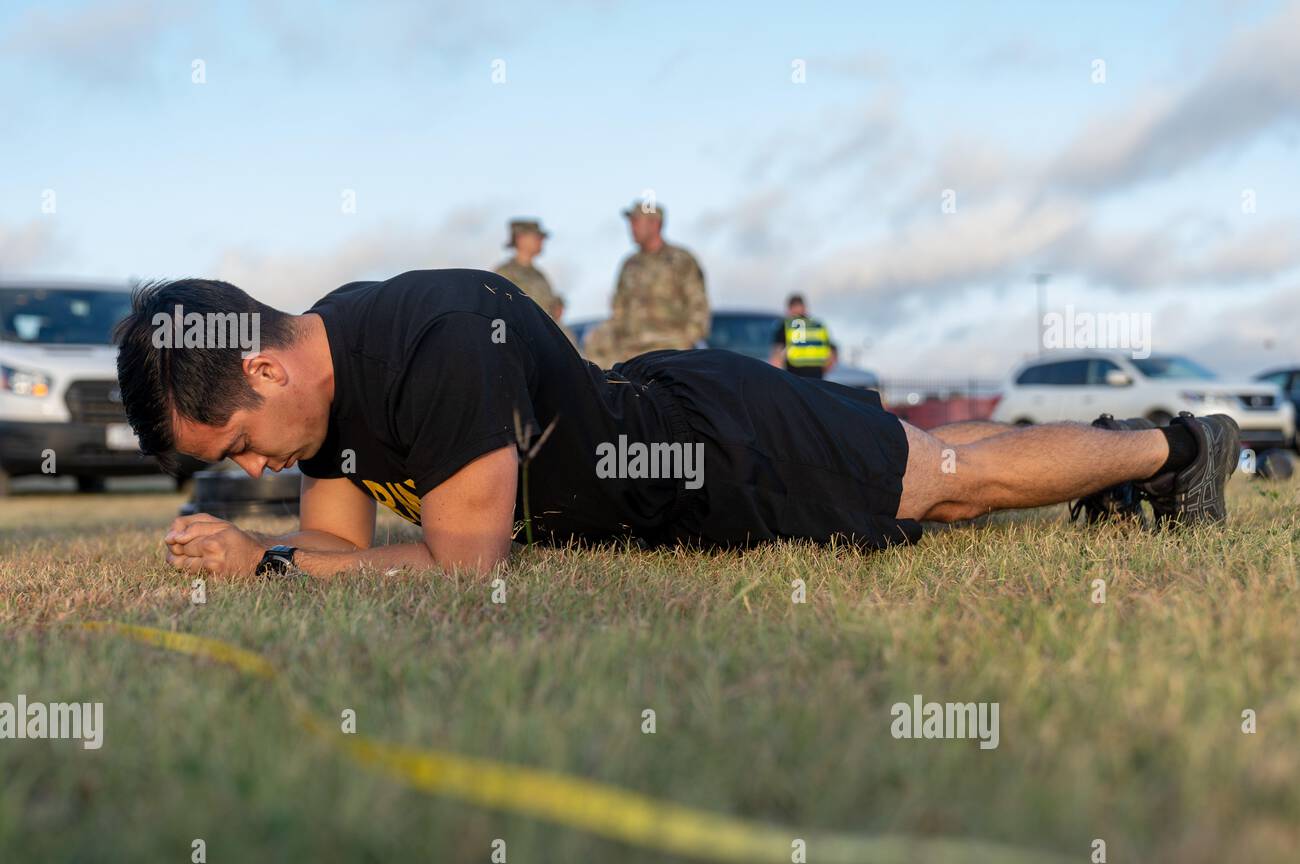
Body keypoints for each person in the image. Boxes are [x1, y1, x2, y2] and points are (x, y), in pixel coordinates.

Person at [112, 269, 1240, 580]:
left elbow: (462, 568)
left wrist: (273, 569)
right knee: (950, 471)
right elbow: (338, 558)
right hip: (655, 436)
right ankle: (1126, 453)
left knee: (949, 479)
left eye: (242, 444)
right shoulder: (324, 405)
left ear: (264, 363)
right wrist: (259, 555)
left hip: (718, 453)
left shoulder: (433, 339)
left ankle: (1179, 448)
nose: (257, 466)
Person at [598, 199, 709, 366]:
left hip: (668, 348)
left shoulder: (681, 260)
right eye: (631, 222)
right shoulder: (630, 264)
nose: (631, 228)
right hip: (629, 350)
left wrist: (684, 344)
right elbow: (618, 309)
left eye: (636, 221)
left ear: (654, 224)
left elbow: (698, 308)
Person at [491, 219, 557, 316]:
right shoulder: (504, 273)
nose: (541, 241)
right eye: (536, 237)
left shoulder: (539, 275)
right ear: (520, 239)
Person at [770, 293, 835, 379]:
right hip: (817, 381)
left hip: (796, 381)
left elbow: (776, 357)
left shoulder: (787, 326)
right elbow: (831, 356)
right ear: (805, 308)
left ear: (790, 309)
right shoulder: (818, 326)